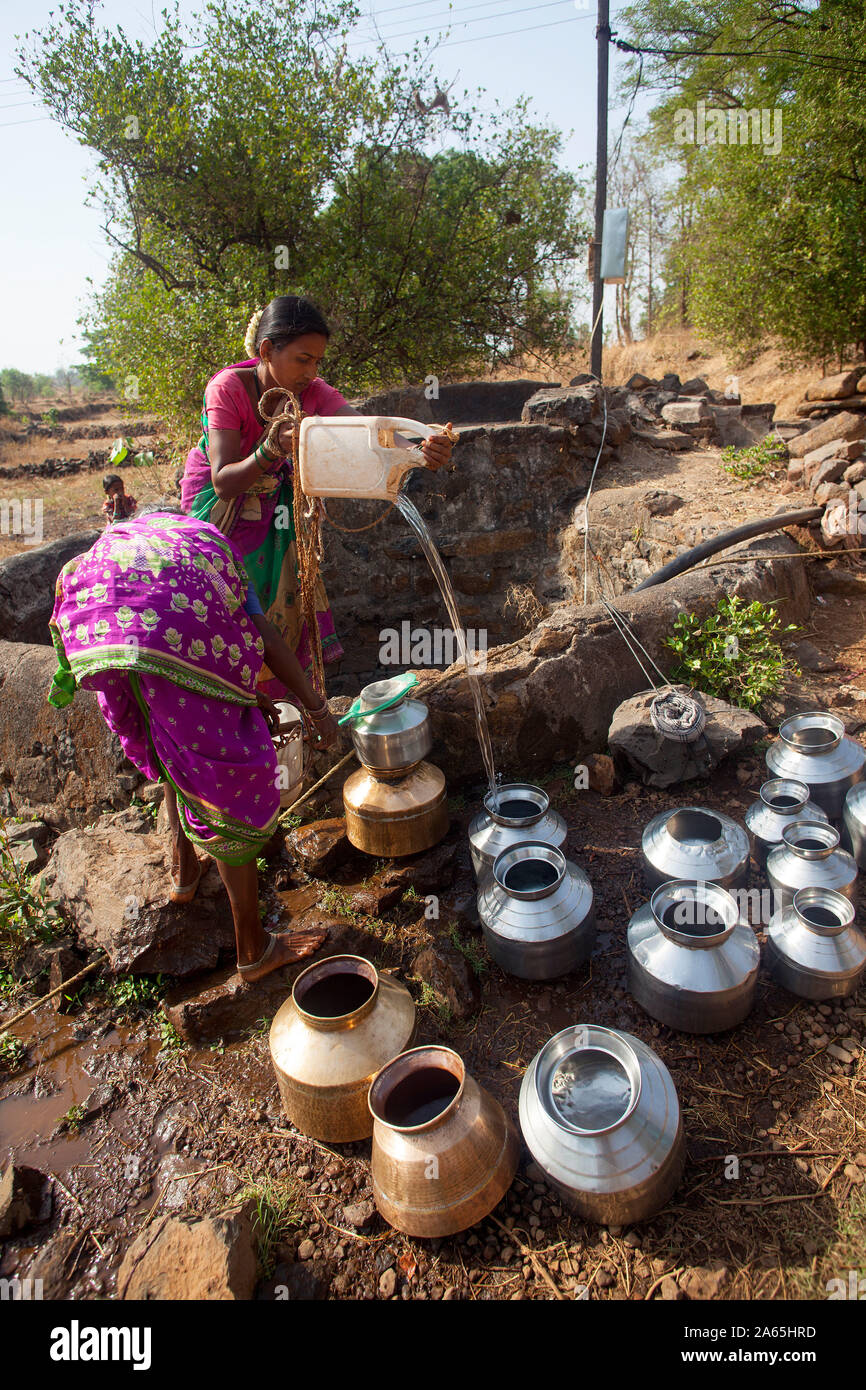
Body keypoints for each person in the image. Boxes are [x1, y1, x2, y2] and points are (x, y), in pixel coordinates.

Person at [47, 504, 340, 982]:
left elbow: (213, 648)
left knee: (170, 736)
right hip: (157, 630)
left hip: (99, 628)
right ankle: (254, 947)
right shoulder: (216, 551)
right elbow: (257, 634)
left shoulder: (135, 542)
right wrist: (317, 707)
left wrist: (244, 697)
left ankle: (184, 872)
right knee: (231, 786)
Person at [180, 295, 454, 693]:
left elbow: (370, 434)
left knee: (280, 612)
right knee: (231, 610)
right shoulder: (229, 389)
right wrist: (270, 450)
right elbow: (223, 480)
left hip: (276, 512)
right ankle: (226, 702)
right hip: (220, 511)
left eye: (318, 362)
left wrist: (419, 449)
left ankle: (279, 706)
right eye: (303, 359)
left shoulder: (313, 392)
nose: (311, 371)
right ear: (267, 350)